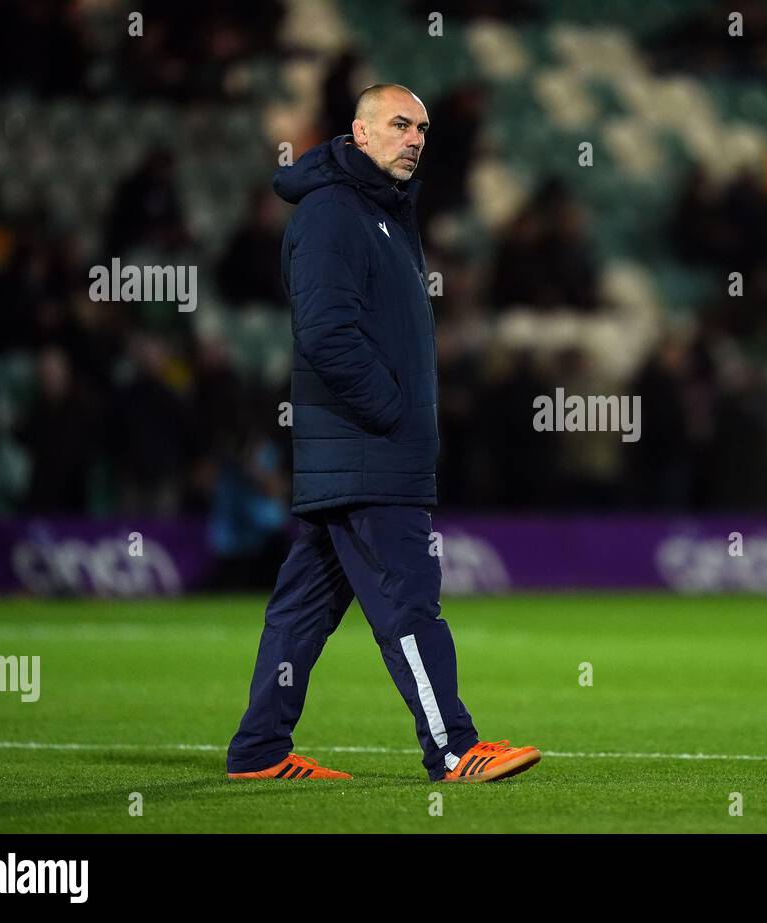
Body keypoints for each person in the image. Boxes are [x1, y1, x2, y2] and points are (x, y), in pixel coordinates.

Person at [226, 84, 540, 783]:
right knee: (407, 598)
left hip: (357, 453)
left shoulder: (379, 213)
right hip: (367, 450)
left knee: (301, 611)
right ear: (359, 133)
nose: (415, 138)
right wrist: (392, 410)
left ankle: (258, 750)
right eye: (399, 124)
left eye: (423, 127)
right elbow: (327, 333)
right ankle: (454, 747)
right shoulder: (336, 213)